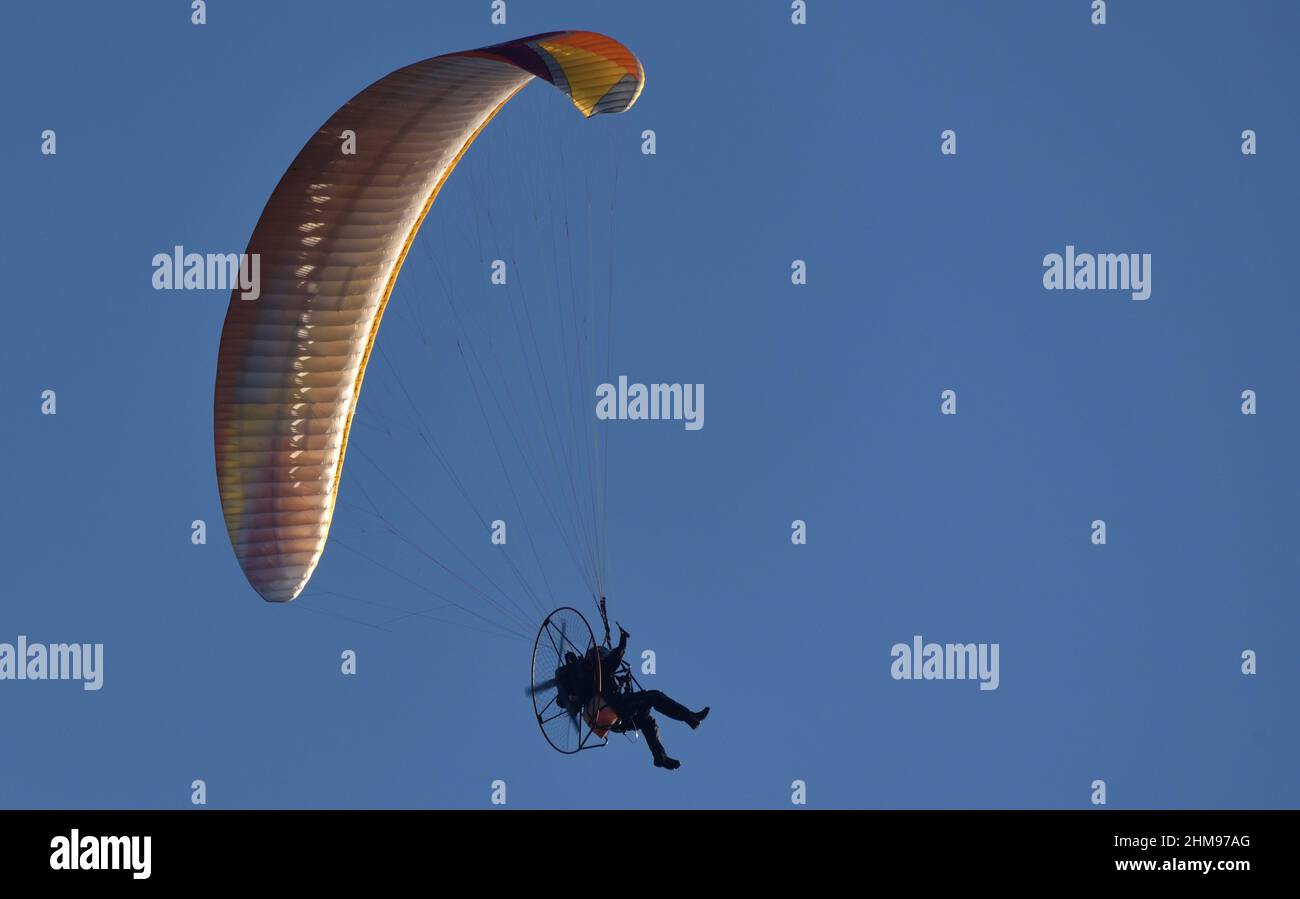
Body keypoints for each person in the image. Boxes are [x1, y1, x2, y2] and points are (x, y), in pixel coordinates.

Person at [595, 625, 709, 770]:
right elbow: (615, 658)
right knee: (653, 696)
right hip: (620, 711)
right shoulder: (599, 670)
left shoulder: (599, 681)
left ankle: (661, 757)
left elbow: (615, 695)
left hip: (619, 718)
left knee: (647, 722)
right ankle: (689, 716)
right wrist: (623, 641)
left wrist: (625, 685)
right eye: (603, 654)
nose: (605, 656)